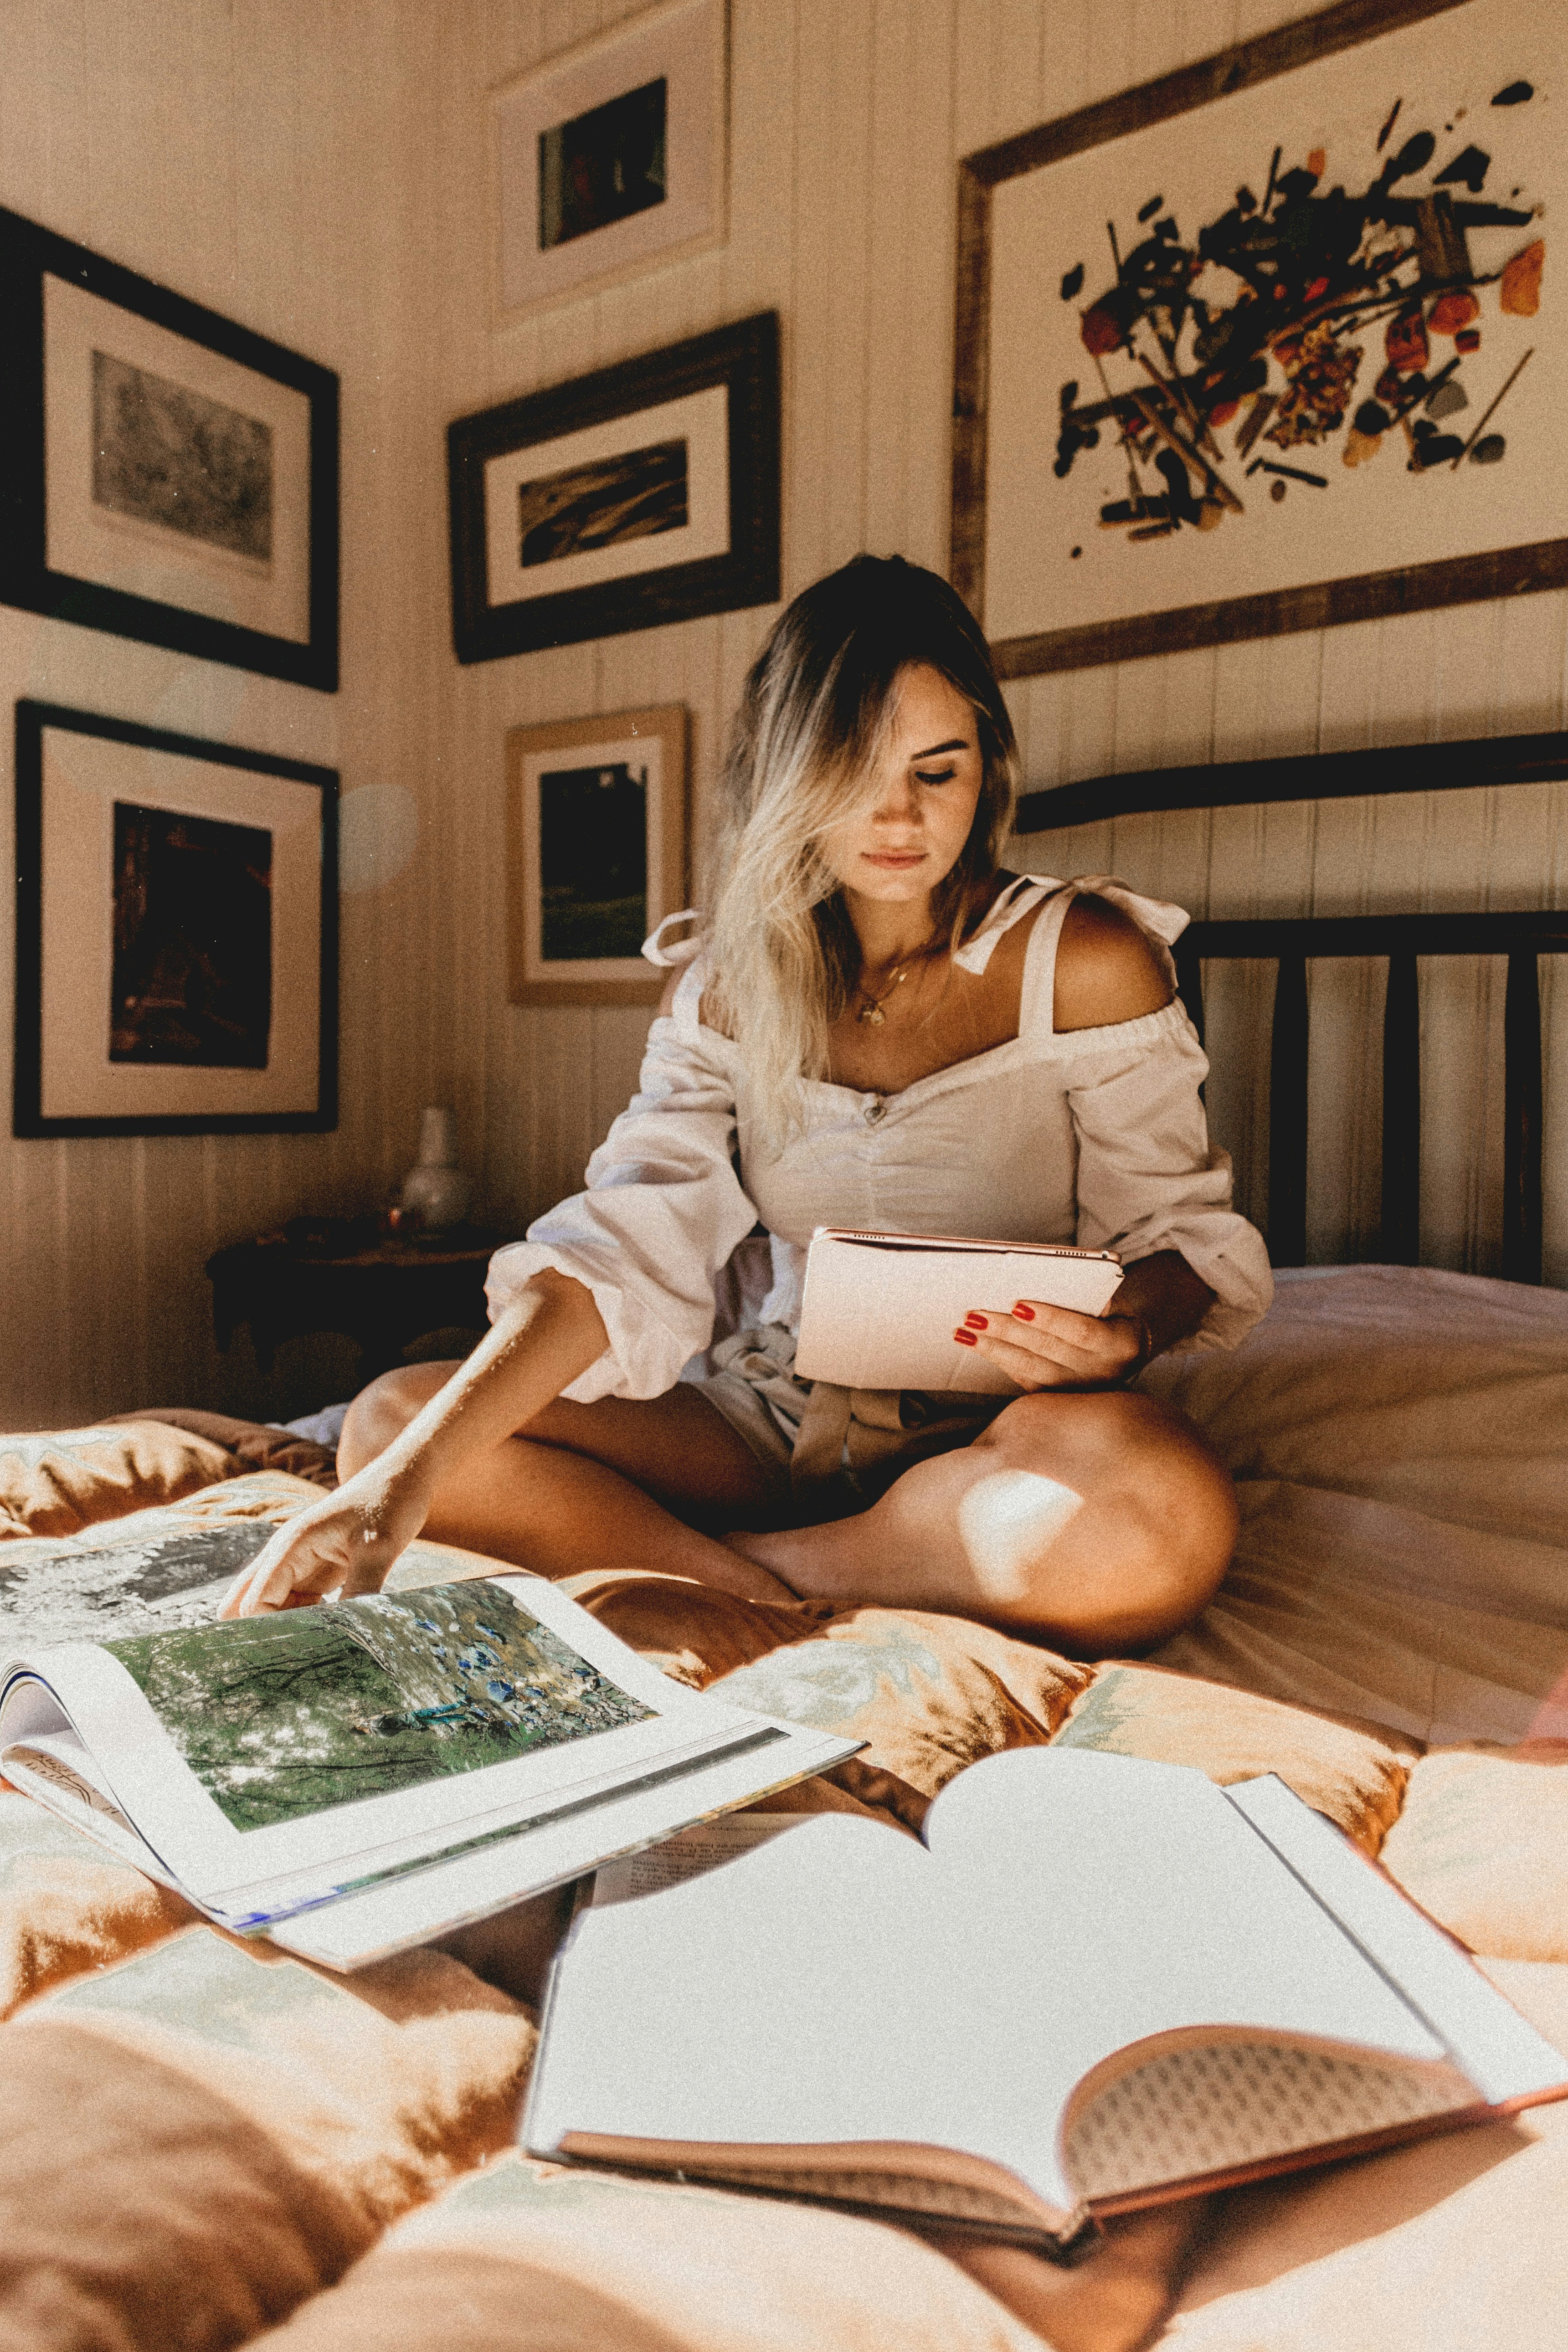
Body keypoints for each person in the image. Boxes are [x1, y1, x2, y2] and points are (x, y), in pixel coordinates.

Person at [223, 556, 1271, 1652]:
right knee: (396, 1426)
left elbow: (1179, 1242)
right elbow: (622, 1247)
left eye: (937, 771)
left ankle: (739, 1577)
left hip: (1001, 1440)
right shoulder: (721, 990)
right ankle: (779, 1578)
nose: (898, 815)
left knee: (1162, 1517)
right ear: (783, 772)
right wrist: (406, 1484)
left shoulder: (1087, 960)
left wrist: (1121, 1330)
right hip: (773, 1426)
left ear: (986, 770)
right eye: (850, 768)